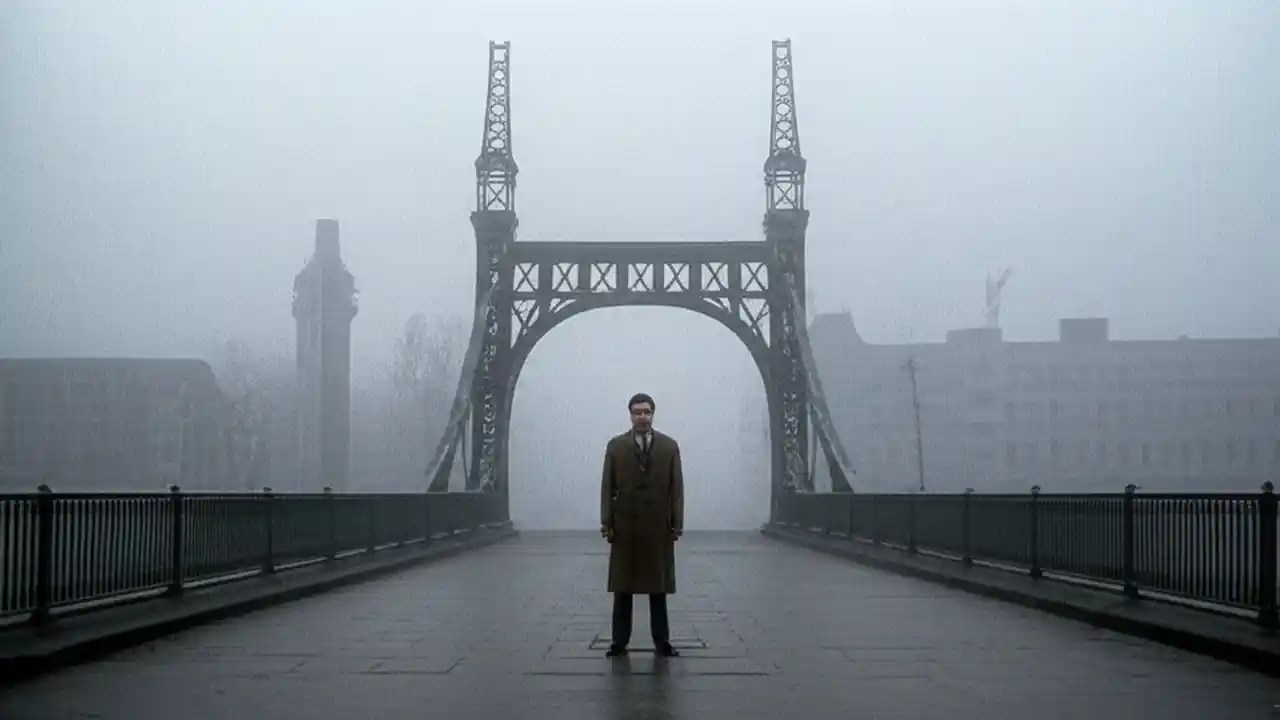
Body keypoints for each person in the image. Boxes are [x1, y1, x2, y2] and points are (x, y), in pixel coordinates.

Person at [600, 392, 684, 658]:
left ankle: (662, 642)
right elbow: (607, 486)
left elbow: (676, 489)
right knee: (622, 590)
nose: (642, 417)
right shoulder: (615, 447)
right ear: (630, 415)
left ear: (653, 414)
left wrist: (677, 523)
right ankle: (618, 642)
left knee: (658, 590)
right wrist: (607, 522)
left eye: (646, 412)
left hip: (658, 526)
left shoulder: (670, 447)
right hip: (625, 525)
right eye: (637, 412)